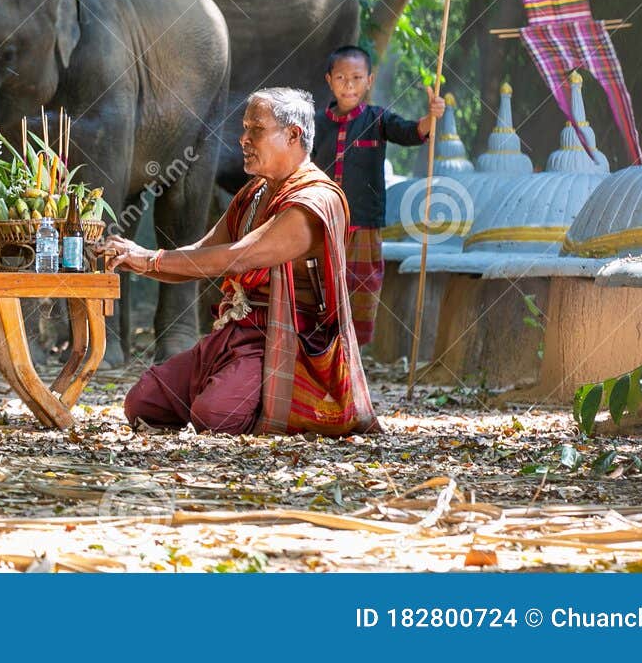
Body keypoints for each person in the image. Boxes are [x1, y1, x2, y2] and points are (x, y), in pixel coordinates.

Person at [101, 88, 377, 436]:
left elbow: (237, 257)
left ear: (293, 135)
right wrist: (133, 260)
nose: (243, 139)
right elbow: (202, 251)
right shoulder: (256, 191)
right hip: (234, 333)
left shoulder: (315, 199)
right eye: (244, 128)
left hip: (283, 345)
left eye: (256, 130)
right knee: (143, 402)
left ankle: (267, 403)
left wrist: (151, 259)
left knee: (215, 417)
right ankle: (228, 389)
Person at [309, 44, 444, 345]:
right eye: (342, 77)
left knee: (360, 291)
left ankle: (351, 358)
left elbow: (412, 132)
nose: (349, 85)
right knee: (321, 289)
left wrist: (431, 117)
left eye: (357, 78)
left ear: (369, 81)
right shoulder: (316, 124)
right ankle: (320, 356)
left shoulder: (378, 120)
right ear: (329, 79)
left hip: (364, 226)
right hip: (323, 225)